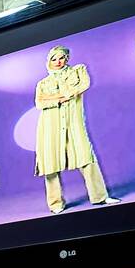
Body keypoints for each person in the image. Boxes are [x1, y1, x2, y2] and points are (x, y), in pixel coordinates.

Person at [34, 45, 115, 214]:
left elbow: (83, 85)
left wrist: (56, 96)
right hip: (49, 126)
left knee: (86, 156)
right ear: (48, 61)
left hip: (74, 123)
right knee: (50, 163)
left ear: (67, 58)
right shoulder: (43, 83)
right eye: (53, 59)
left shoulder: (78, 71)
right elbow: (40, 103)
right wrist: (60, 97)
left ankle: (100, 197)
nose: (57, 62)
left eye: (61, 58)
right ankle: (56, 204)